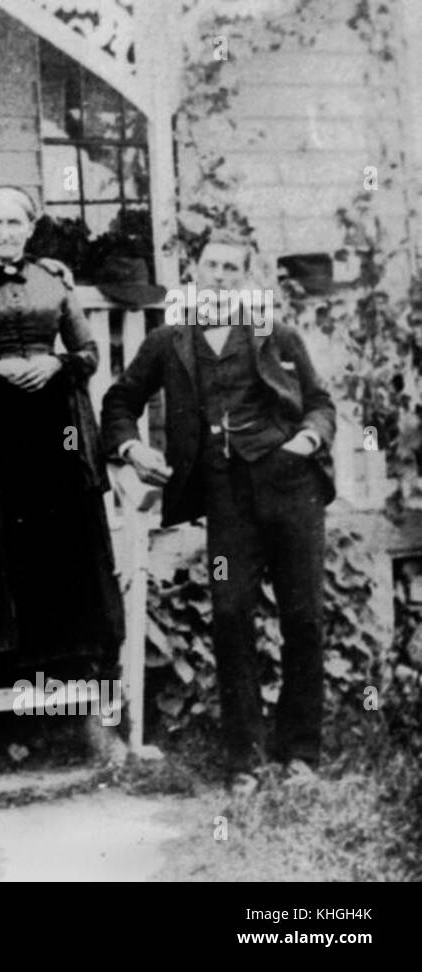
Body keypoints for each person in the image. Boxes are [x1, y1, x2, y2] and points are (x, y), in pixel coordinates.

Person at [101, 232, 336, 796]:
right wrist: (132, 449)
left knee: (303, 617)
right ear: (196, 271)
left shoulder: (274, 333)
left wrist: (307, 439)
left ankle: (300, 751)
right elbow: (119, 401)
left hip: (290, 489)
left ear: (247, 276)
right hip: (225, 497)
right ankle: (245, 762)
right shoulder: (168, 340)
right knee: (231, 616)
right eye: (213, 265)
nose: (223, 275)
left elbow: (321, 403)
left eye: (234, 267)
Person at [0, 185, 124, 690]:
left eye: (15, 223)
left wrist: (53, 362)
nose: (5, 232)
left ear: (30, 229)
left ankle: (70, 655)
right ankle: (7, 662)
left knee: (59, 529)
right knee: (1, 533)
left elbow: (89, 353)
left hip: (54, 424)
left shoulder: (54, 284)